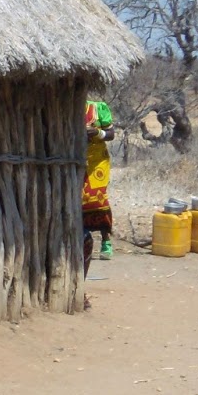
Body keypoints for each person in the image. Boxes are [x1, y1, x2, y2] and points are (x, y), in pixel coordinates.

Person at [83, 97, 115, 272]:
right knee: (79, 199)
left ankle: (106, 240)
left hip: (97, 162)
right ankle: (82, 238)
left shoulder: (98, 108)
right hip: (76, 160)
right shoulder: (64, 106)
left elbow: (111, 135)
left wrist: (97, 133)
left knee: (98, 199)